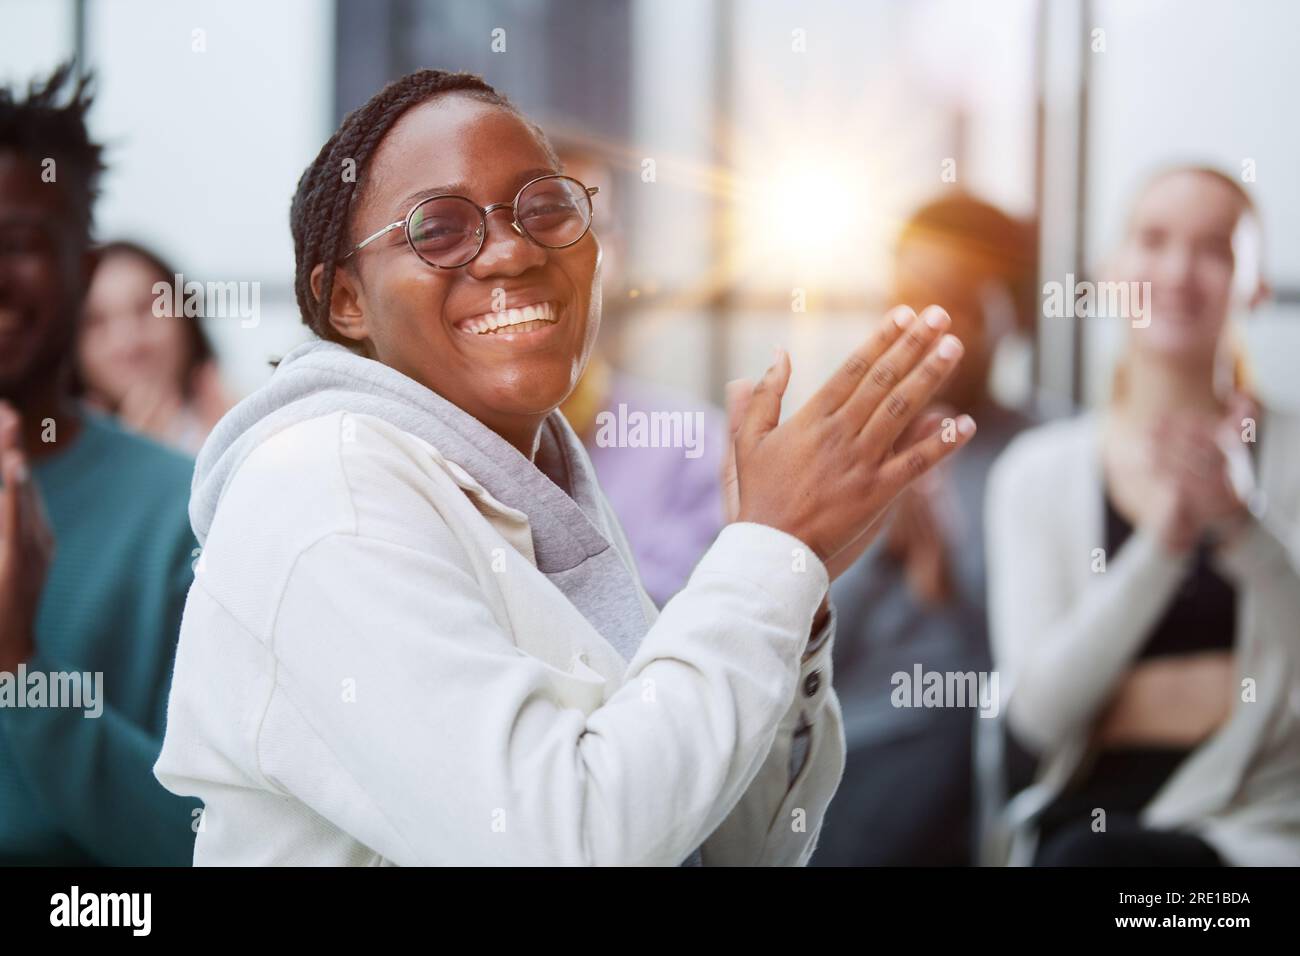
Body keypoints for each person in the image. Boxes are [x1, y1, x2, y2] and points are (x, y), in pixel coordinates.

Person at [153, 68, 977, 866]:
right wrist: (767, 552)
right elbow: (561, 843)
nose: (512, 254)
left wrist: (793, 589)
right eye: (439, 228)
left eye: (545, 209)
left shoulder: (533, 480)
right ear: (345, 301)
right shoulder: (326, 485)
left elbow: (736, 845)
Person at [986, 166, 1300, 866]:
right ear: (1109, 270)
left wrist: (1243, 529)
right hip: (1086, 831)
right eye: (1153, 240)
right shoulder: (1036, 474)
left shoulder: (1294, 457)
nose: (1180, 271)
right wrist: (1165, 543)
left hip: (1253, 836)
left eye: (1215, 248)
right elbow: (1037, 715)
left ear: (1253, 284)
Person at [0, 64, 201, 865]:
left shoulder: (176, 511)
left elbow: (195, 839)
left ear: (84, 262)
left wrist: (19, 667)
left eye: (19, 245)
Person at [812, 195, 1038, 866]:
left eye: (961, 300)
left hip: (954, 747)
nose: (931, 327)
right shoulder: (835, 450)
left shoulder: (1044, 454)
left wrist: (940, 572)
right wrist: (874, 543)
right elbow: (790, 651)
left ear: (1014, 315)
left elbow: (1033, 668)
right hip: (828, 739)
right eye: (911, 297)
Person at [554, 140, 727, 607]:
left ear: (618, 253)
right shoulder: (422, 449)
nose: (541, 258)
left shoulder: (695, 445)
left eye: (572, 227)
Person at [77, 240, 231, 455]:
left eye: (146, 308)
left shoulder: (250, 424)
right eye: (96, 322)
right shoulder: (54, 455)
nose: (127, 340)